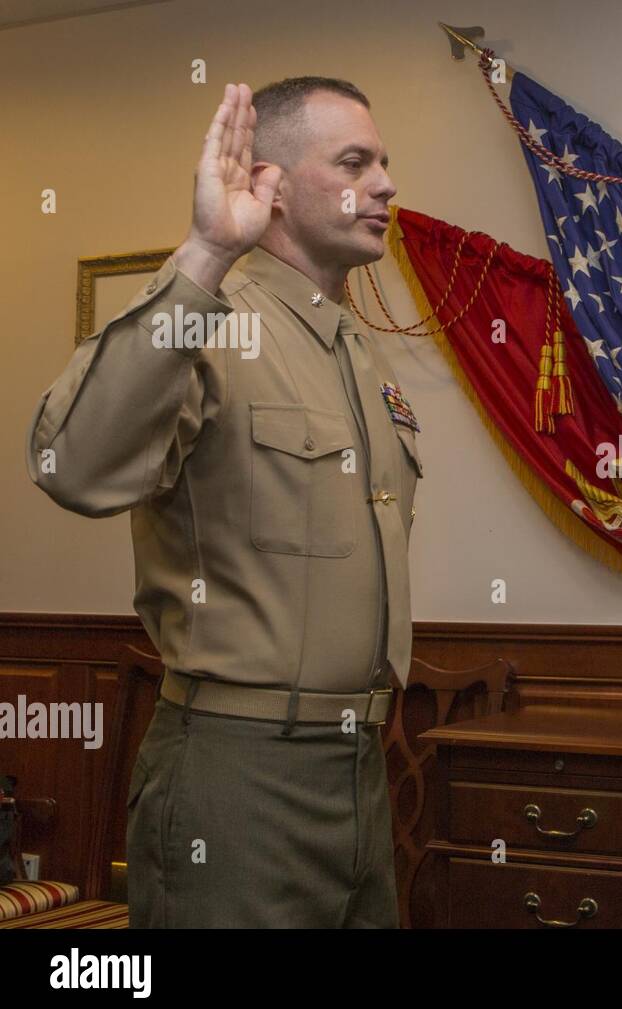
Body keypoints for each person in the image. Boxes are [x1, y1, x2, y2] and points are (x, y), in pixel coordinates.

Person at [25, 77, 421, 928]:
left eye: (384, 161)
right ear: (270, 187)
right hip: (239, 773)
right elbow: (70, 464)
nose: (386, 182)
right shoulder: (210, 320)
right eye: (355, 161)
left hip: (360, 769)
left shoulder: (360, 354)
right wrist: (204, 254)